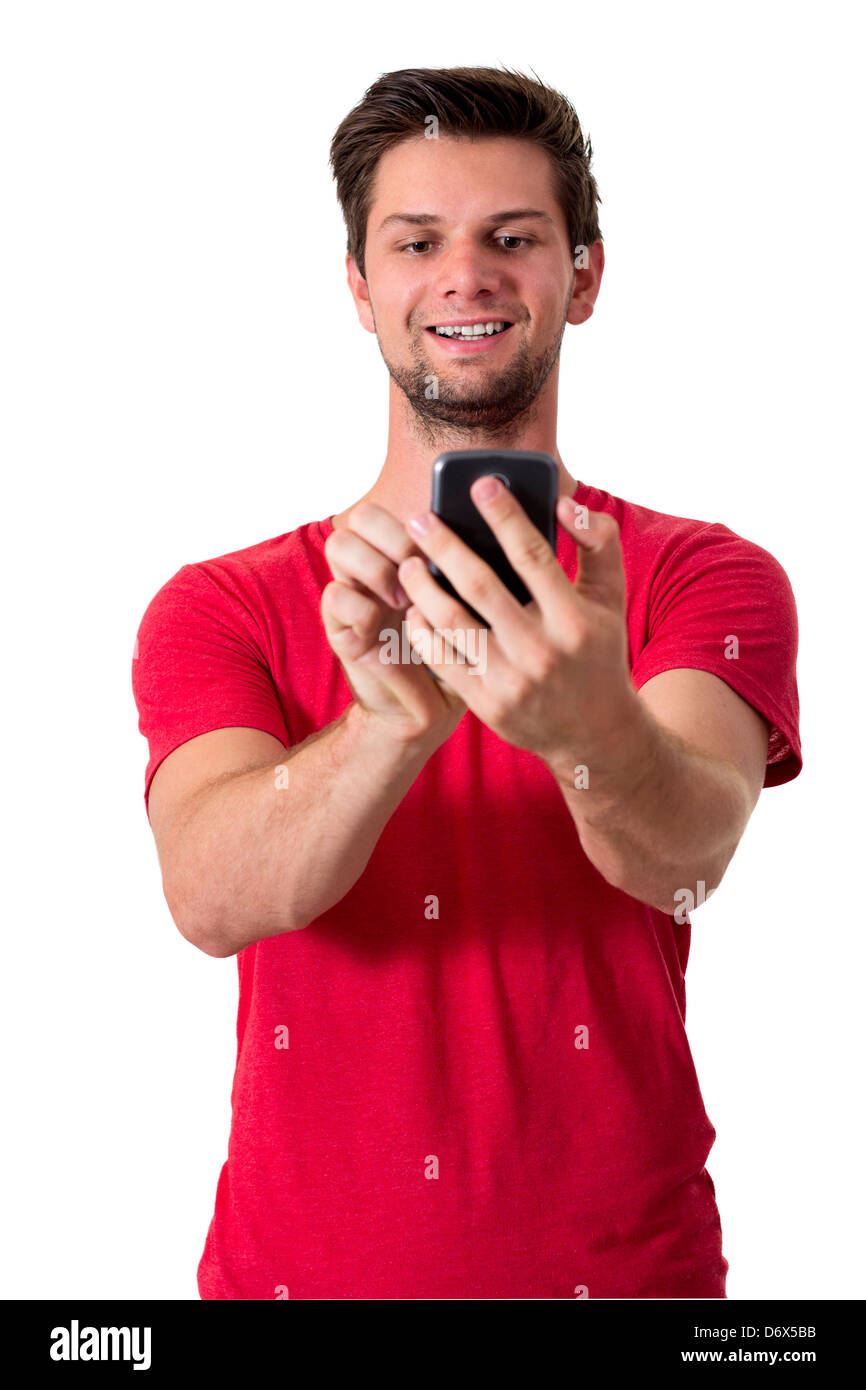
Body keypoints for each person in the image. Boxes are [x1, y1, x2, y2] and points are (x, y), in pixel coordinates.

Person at [132, 66, 801, 1300]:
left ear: (581, 276)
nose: (464, 275)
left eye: (511, 238)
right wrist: (385, 726)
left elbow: (687, 858)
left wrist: (583, 726)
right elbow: (212, 899)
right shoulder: (219, 604)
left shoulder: (698, 576)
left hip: (626, 1284)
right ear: (359, 287)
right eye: (417, 241)